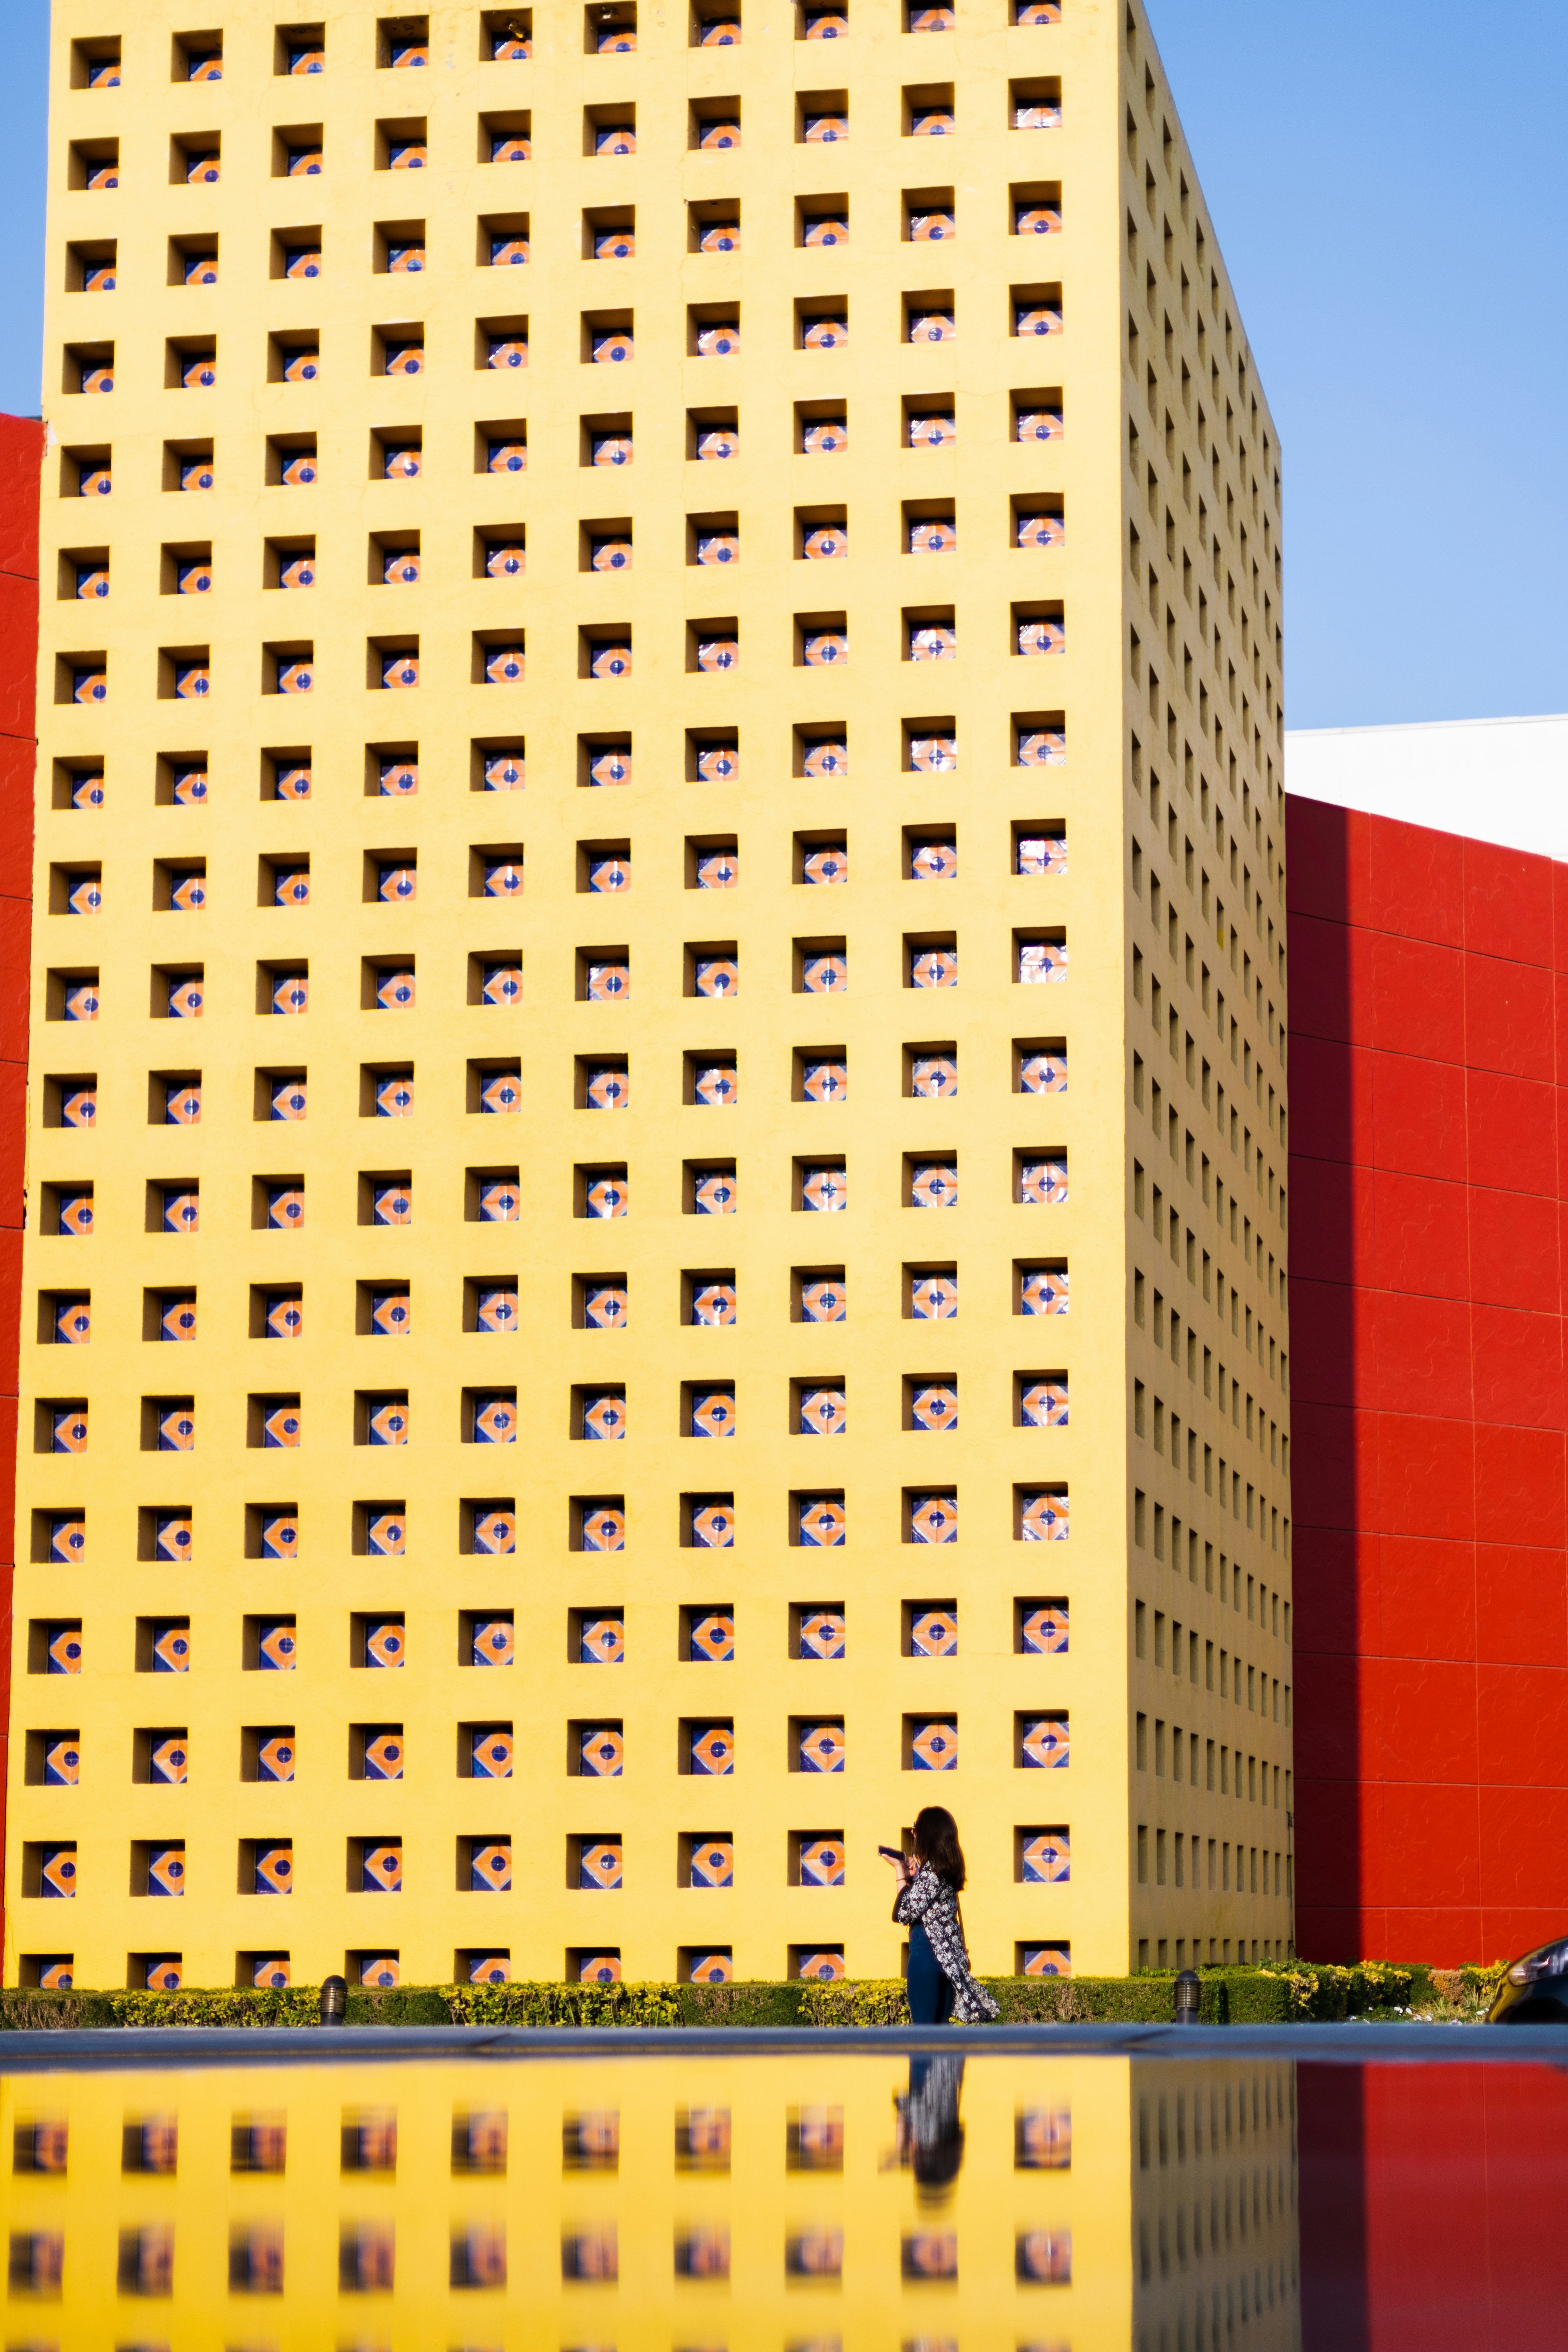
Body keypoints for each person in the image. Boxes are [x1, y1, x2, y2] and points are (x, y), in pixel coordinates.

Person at [879, 1805, 1000, 2025]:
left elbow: (905, 1912)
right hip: (947, 1959)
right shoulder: (945, 1868)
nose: (913, 1833)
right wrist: (914, 1878)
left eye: (915, 1828)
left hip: (927, 1952)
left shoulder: (932, 1870)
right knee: (941, 2034)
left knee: (924, 2033)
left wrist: (899, 1870)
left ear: (927, 1833)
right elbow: (926, 1903)